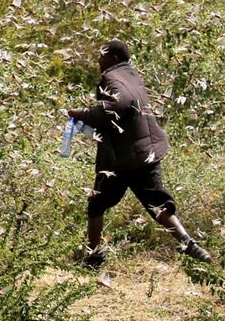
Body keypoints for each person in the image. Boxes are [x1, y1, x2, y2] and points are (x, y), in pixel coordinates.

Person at [70, 39, 211, 268]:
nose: (99, 60)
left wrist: (82, 113)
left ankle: (94, 258)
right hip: (146, 151)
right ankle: (188, 243)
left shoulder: (111, 78)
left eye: (102, 56)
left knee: (96, 203)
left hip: (122, 159)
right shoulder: (132, 75)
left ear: (114, 58)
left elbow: (117, 105)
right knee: (157, 203)